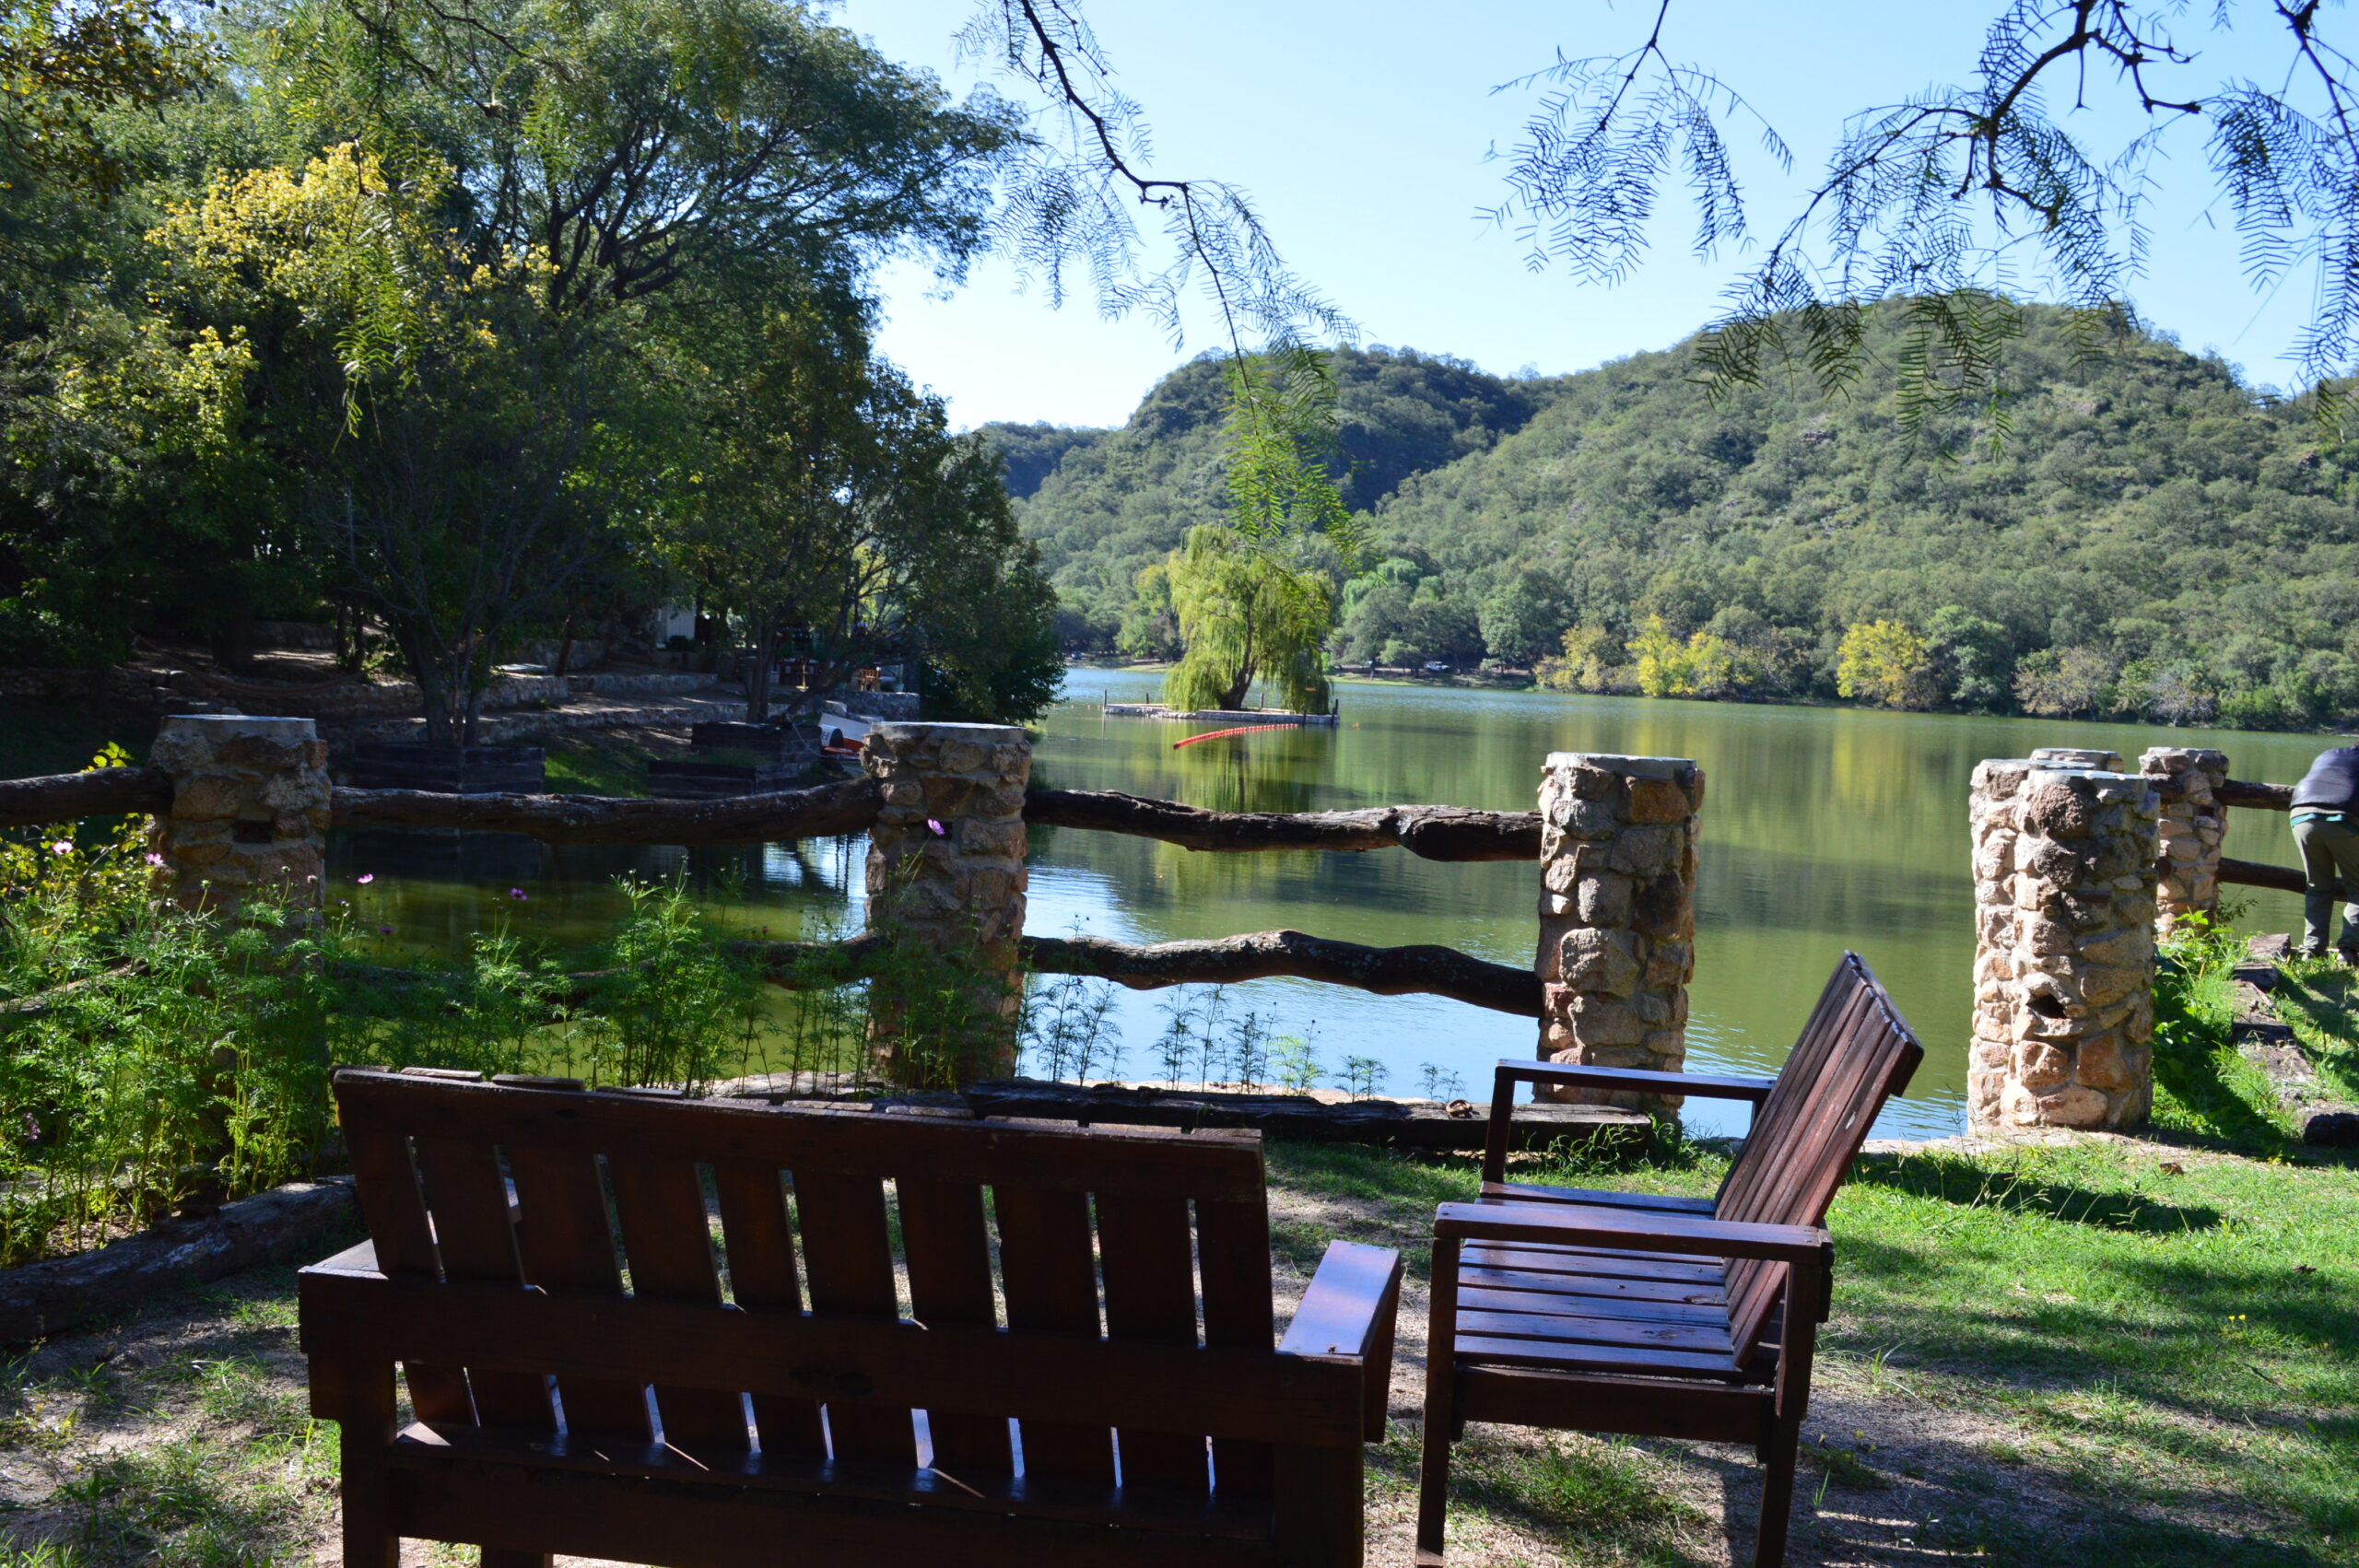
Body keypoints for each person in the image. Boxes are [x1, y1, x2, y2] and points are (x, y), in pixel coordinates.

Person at [2289, 743, 2359, 961]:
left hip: (2301, 814)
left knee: (2317, 887)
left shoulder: (2330, 753)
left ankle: (2311, 950)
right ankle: (2348, 950)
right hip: (2341, 817)